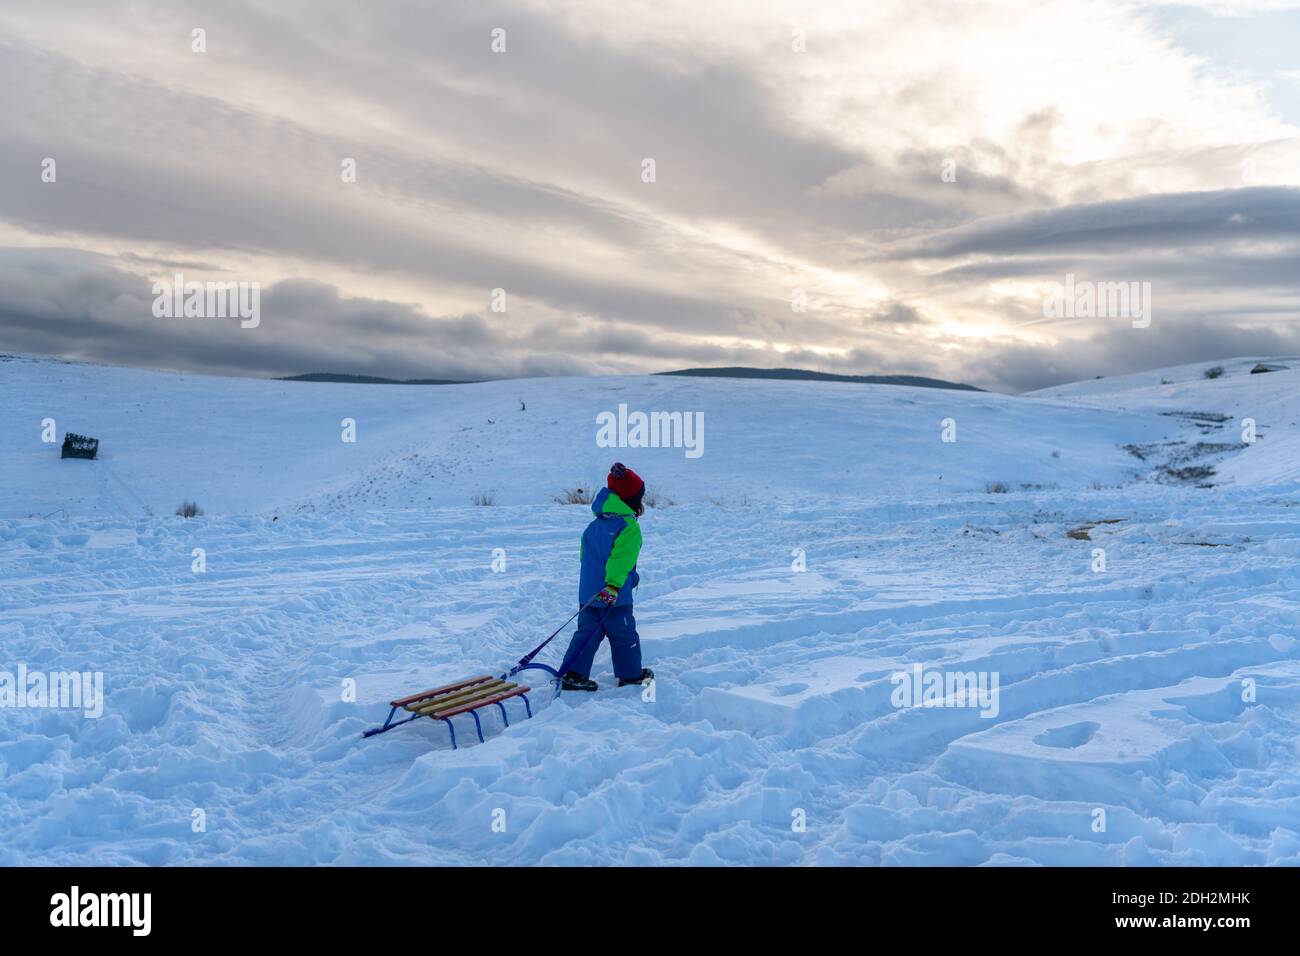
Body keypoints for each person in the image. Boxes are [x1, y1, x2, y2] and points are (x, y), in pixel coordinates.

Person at [560, 462, 655, 691]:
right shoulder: (628, 527)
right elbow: (621, 560)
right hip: (614, 595)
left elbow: (586, 558)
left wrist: (595, 588)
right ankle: (631, 675)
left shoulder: (595, 525)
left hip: (589, 593)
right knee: (623, 634)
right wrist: (613, 586)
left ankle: (572, 673)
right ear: (633, 500)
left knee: (588, 633)